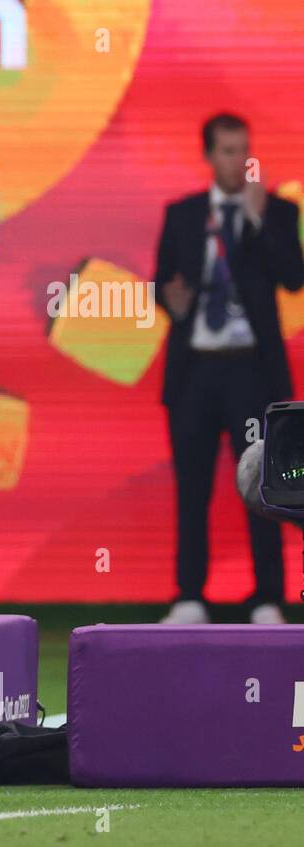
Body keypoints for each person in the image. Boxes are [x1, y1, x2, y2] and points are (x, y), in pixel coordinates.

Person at [155, 113, 304, 626]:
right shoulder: (183, 214)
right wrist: (170, 299)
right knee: (191, 485)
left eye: (244, 150)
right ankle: (190, 595)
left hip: (253, 373)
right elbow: (162, 283)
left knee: (264, 484)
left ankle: (268, 598)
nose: (237, 160)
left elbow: (293, 277)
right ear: (208, 155)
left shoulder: (277, 212)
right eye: (225, 150)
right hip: (195, 371)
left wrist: (258, 222)